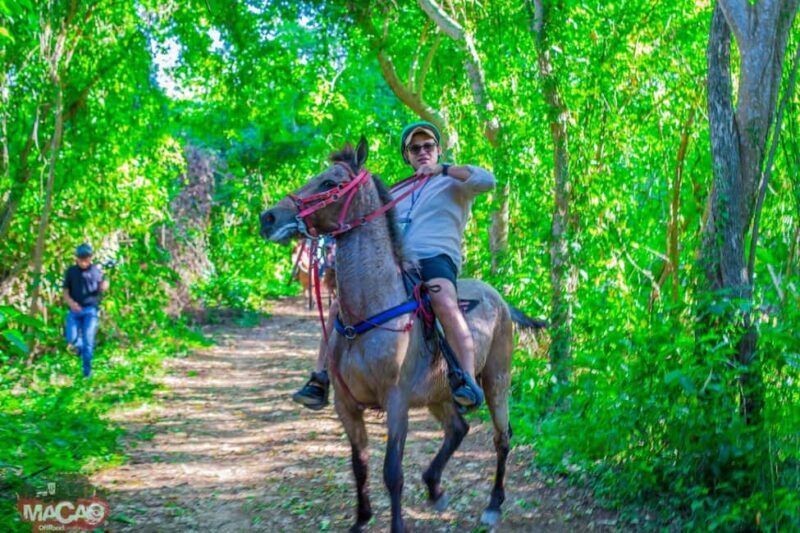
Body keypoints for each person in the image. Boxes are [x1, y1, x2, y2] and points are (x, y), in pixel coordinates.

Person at [293, 121, 495, 410]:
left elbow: (487, 180)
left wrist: (443, 170)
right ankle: (320, 378)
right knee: (341, 305)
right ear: (407, 155)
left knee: (443, 301)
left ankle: (466, 379)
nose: (422, 152)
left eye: (428, 146)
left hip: (436, 258)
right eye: (415, 148)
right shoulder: (397, 191)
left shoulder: (454, 183)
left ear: (438, 150)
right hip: (395, 263)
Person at [63, 243, 109, 378]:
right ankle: (80, 349)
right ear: (76, 258)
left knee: (88, 341)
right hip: (75, 310)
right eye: (81, 258)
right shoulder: (71, 271)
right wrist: (71, 303)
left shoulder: (96, 271)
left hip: (90, 310)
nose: (84, 261)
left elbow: (102, 287)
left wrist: (105, 284)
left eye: (86, 258)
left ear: (90, 258)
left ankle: (87, 373)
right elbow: (65, 291)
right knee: (72, 338)